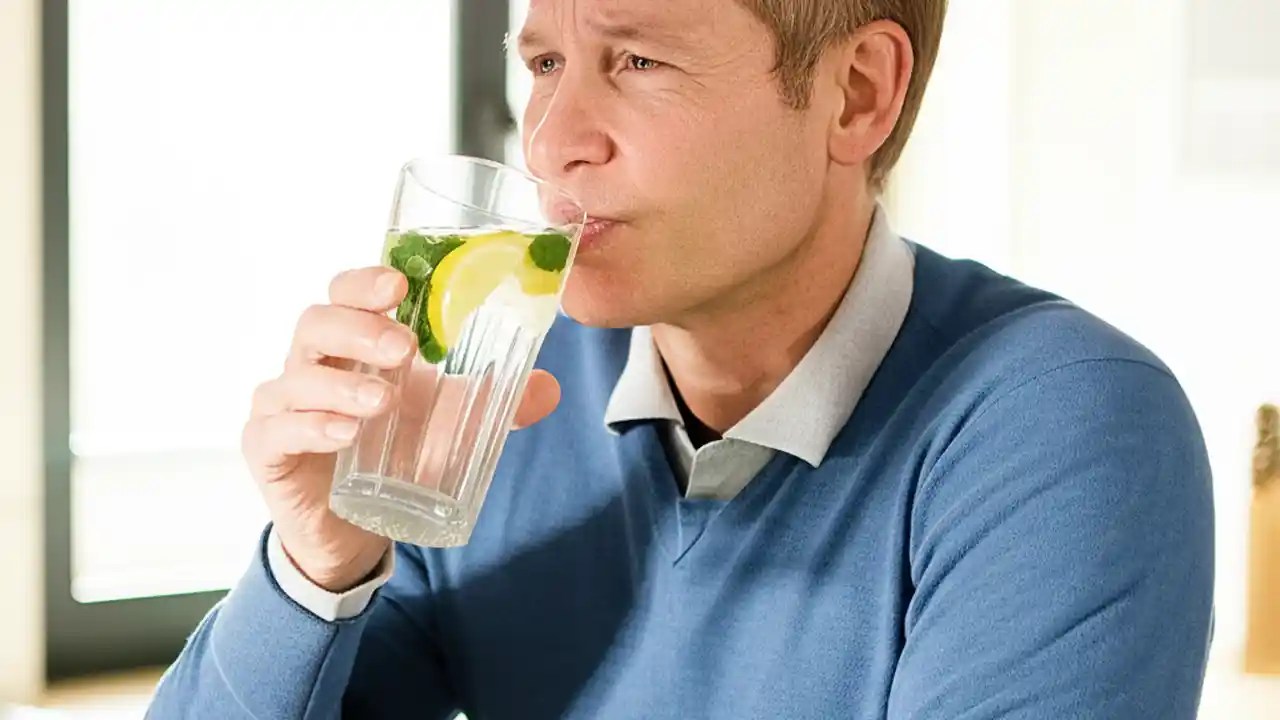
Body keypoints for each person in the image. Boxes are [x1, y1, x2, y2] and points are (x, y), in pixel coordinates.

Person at [148, 0, 1215, 717]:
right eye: (544, 64)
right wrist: (317, 566)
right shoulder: (491, 393)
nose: (553, 138)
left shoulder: (1065, 426)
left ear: (855, 94)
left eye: (638, 60)